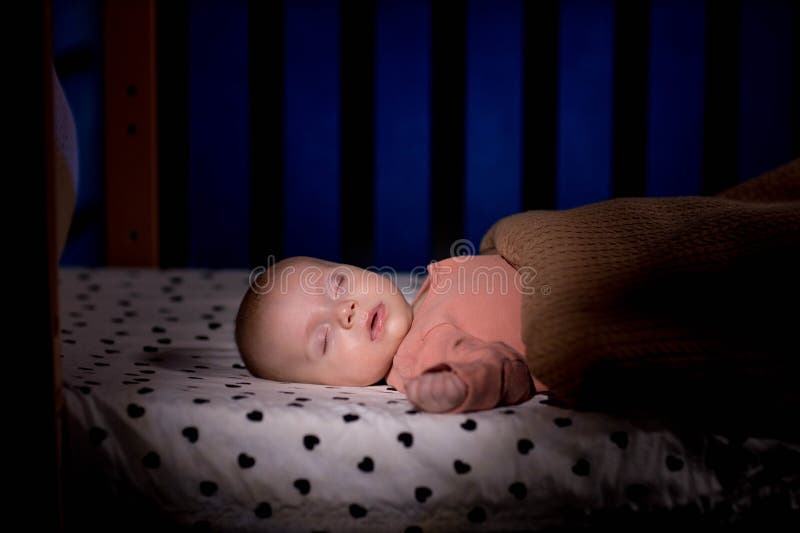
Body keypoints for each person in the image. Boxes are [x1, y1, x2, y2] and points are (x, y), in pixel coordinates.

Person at [235, 253, 548, 414]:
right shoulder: (422, 356)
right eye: (325, 339)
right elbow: (505, 372)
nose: (345, 310)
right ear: (328, 385)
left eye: (338, 284)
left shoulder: (433, 292)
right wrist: (458, 385)